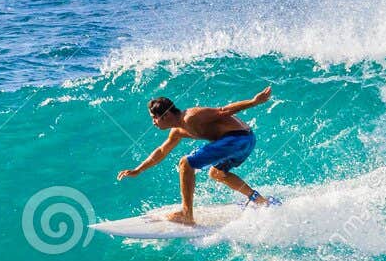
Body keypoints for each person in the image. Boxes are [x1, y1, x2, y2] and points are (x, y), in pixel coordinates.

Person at [116, 86, 273, 224]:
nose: (153, 122)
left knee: (186, 163)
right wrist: (138, 169)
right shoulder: (177, 131)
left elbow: (224, 111)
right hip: (247, 141)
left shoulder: (191, 116)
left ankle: (186, 214)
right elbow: (162, 151)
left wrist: (254, 102)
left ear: (166, 115)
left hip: (237, 138)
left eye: (154, 118)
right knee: (217, 173)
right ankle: (258, 199)